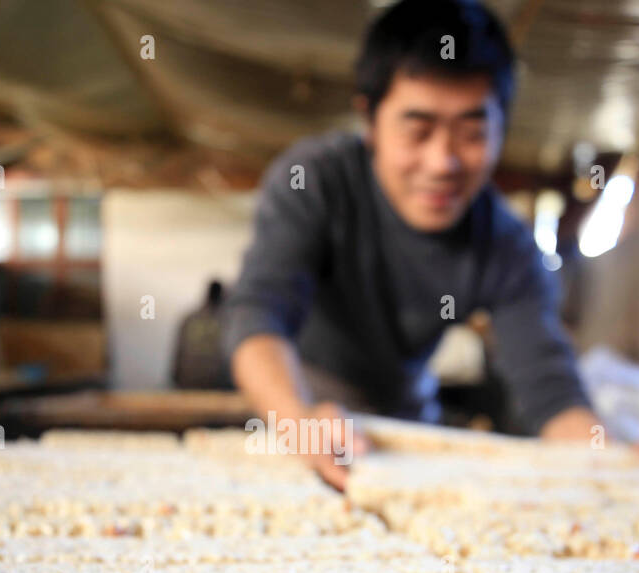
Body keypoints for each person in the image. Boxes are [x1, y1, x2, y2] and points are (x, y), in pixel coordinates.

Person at [223, 0, 609, 489]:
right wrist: (296, 417)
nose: (442, 162)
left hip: (405, 423)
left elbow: (548, 384)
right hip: (299, 404)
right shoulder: (315, 180)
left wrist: (607, 462)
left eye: (472, 133)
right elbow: (258, 312)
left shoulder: (505, 243)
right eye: (418, 130)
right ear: (369, 120)